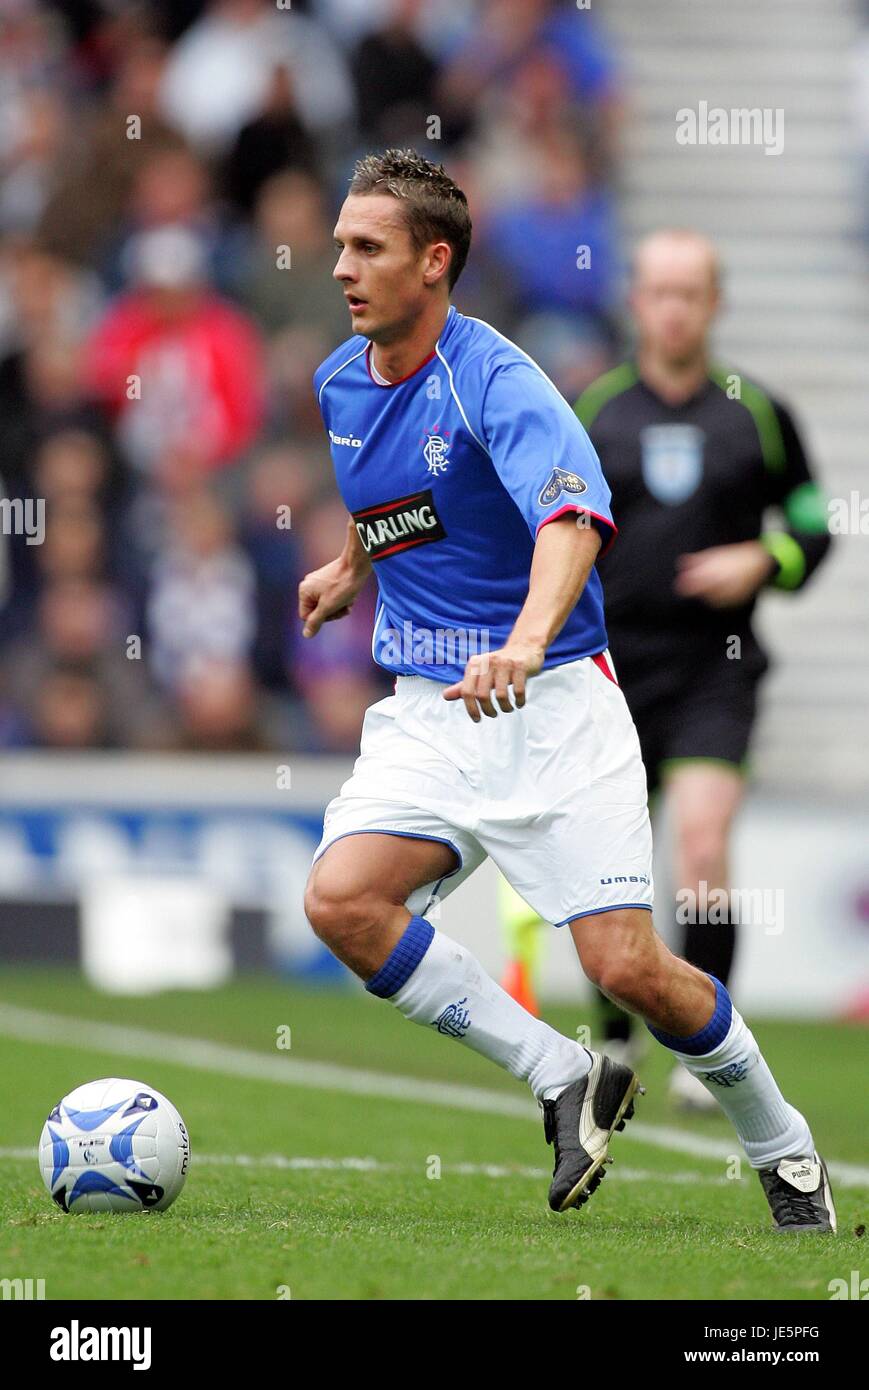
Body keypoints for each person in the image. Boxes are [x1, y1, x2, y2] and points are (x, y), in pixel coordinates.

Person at [299, 150, 835, 1231]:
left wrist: (524, 640)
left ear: (433, 262)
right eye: (340, 243)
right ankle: (557, 1075)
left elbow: (569, 519)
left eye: (368, 247)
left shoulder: (499, 377)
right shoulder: (339, 379)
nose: (341, 267)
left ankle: (783, 1151)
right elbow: (402, 496)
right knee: (341, 902)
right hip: (430, 710)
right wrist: (350, 569)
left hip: (552, 707)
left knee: (628, 968)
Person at [501, 229, 834, 1113]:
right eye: (659, 292)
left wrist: (763, 560)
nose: (674, 308)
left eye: (691, 293)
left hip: (714, 669)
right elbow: (545, 524)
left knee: (701, 846)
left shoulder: (755, 413)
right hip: (607, 668)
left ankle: (701, 1049)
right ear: (636, 301)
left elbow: (814, 522)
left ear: (713, 304)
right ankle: (612, 1041)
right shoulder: (593, 409)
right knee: (610, 868)